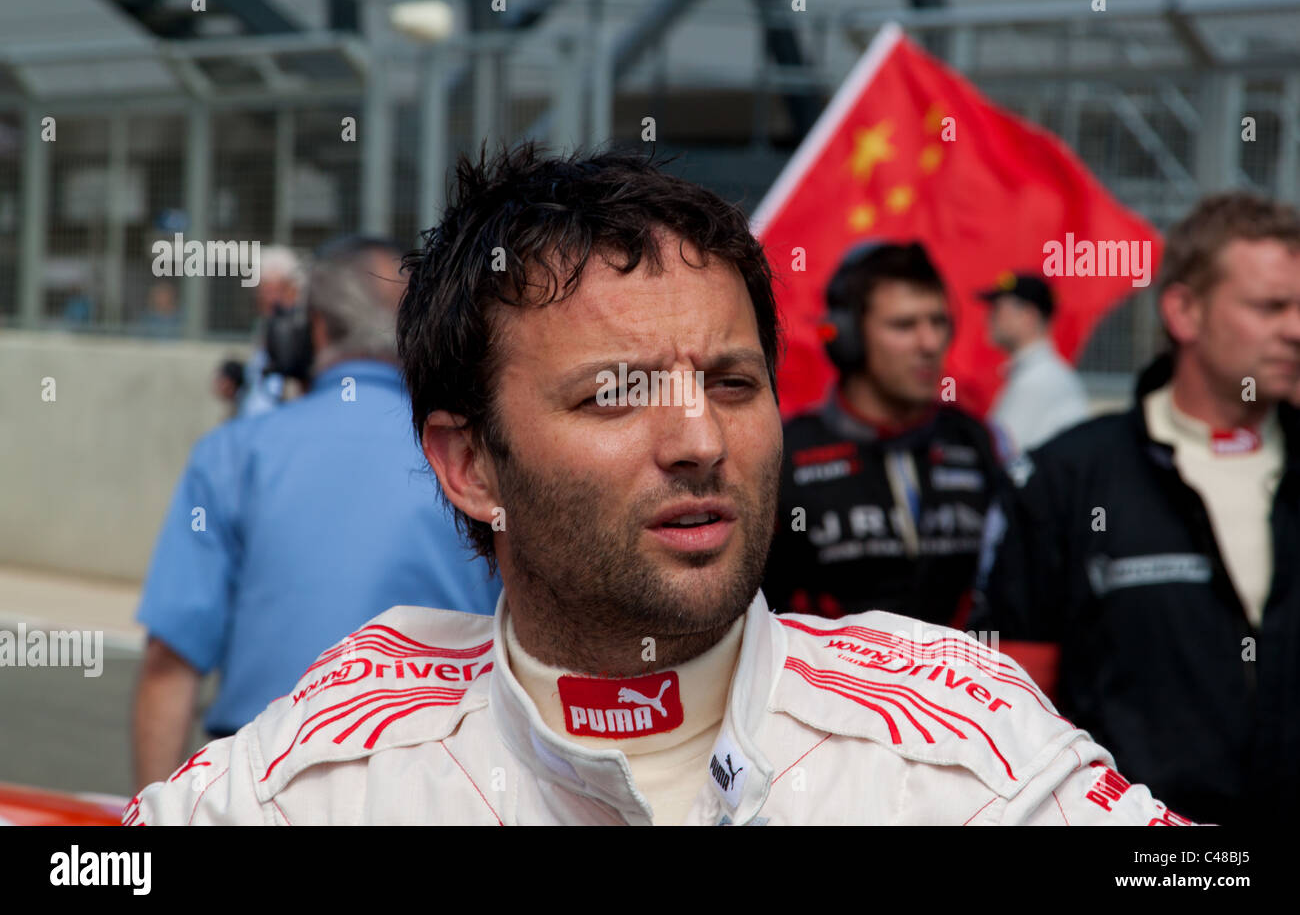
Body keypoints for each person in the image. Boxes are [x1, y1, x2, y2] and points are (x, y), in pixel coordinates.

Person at [125, 146, 1186, 826]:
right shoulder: (314, 775)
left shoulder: (970, 749)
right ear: (470, 462)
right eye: (614, 397)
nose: (699, 439)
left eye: (733, 382)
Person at [972, 192, 1300, 826]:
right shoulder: (1070, 475)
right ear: (1183, 310)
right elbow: (1008, 704)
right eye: (1270, 307)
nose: (1295, 328)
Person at [130, 235, 500, 792]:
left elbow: (170, 664)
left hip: (259, 790)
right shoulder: (484, 465)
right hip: (440, 790)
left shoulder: (233, 455)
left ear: (314, 331)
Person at [762, 241, 1003, 626]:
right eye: (904, 325)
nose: (929, 343)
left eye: (938, 322)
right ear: (848, 338)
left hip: (956, 682)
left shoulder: (979, 441)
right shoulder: (785, 453)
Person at [980, 271, 1090, 454]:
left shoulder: (1039, 380)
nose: (990, 317)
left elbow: (999, 455)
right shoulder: (1040, 375)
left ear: (1029, 316)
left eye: (998, 308)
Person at [239, 245, 306, 418]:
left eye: (276, 290)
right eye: (264, 291)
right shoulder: (263, 329)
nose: (269, 299)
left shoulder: (303, 336)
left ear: (294, 291)